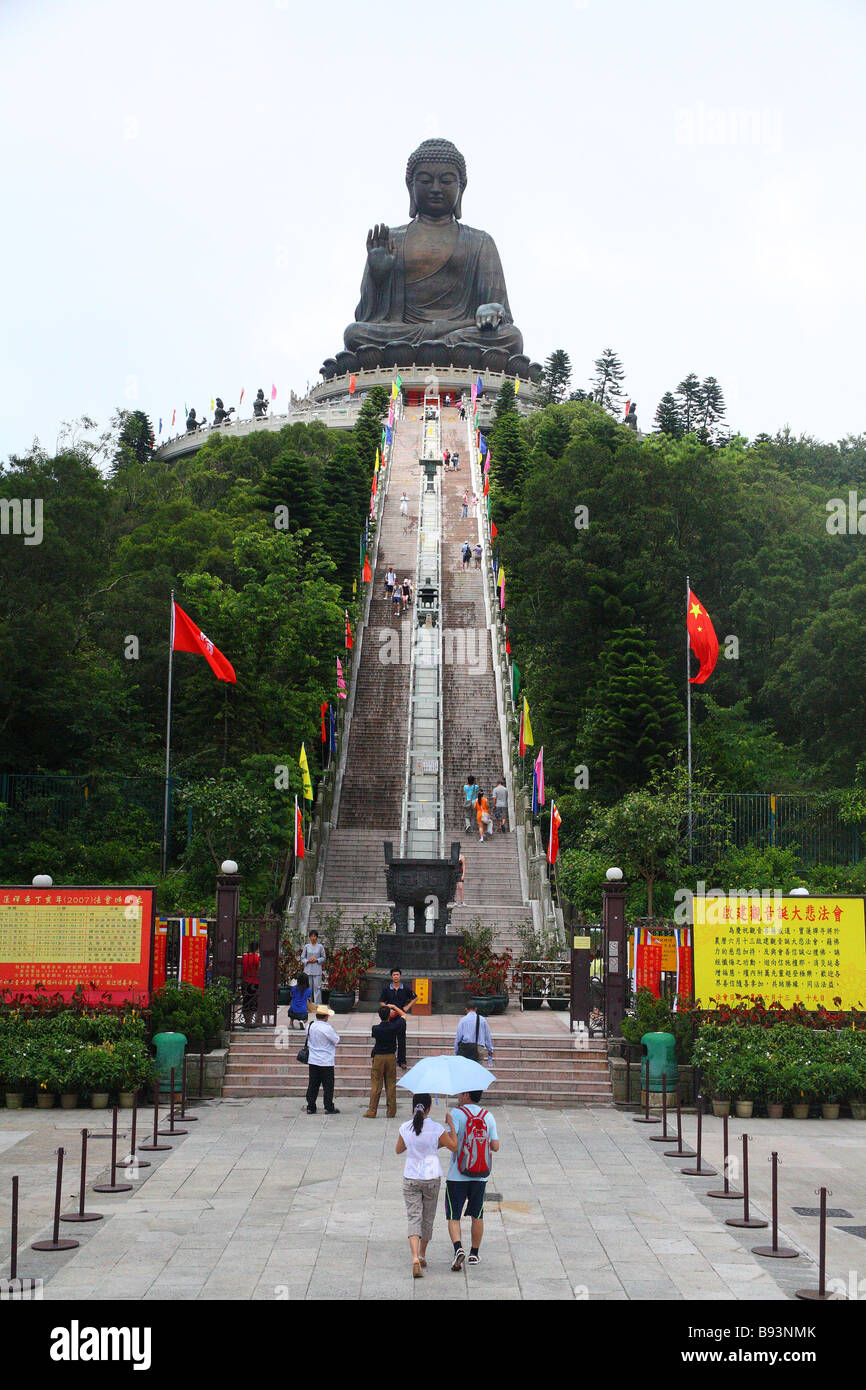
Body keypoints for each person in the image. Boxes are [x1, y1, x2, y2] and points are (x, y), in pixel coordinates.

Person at [396, 1095, 457, 1279]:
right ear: (428, 1109)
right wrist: (451, 1126)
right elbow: (453, 1146)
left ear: (413, 1107)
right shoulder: (436, 1128)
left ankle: (414, 1258)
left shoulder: (405, 1127)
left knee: (414, 1217)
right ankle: (422, 1254)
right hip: (431, 1177)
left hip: (411, 1177)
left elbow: (399, 1149)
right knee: (427, 1218)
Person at [446, 1090, 499, 1269]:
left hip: (457, 1175)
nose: (458, 1096)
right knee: (477, 1214)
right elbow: (496, 1146)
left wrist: (451, 1126)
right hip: (480, 1175)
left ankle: (458, 1248)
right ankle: (474, 1254)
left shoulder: (456, 1113)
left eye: (460, 1093)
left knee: (454, 1215)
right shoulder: (488, 1116)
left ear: (466, 1095)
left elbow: (451, 1144)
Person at [364, 1003, 406, 1118]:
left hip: (378, 1057)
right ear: (389, 1015)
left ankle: (372, 1111)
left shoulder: (375, 1028)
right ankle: (391, 1111)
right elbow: (403, 1015)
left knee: (376, 1085)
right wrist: (395, 1007)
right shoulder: (395, 1026)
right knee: (391, 1085)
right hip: (391, 1057)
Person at [305, 1003, 340, 1114]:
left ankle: (311, 1106)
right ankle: (328, 1106)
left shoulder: (310, 1025)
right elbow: (336, 1040)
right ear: (326, 1016)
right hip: (326, 1060)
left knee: (313, 1084)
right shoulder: (327, 1028)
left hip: (313, 1059)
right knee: (328, 1085)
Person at [379, 968, 416, 1068]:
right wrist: (387, 1009)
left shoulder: (405, 988)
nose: (396, 976)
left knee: (401, 1039)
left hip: (401, 1016)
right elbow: (381, 1001)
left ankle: (402, 1061)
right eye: (394, 975)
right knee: (389, 1038)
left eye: (397, 975)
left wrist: (407, 1007)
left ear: (400, 976)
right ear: (391, 977)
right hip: (389, 1017)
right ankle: (390, 1059)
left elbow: (415, 997)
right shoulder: (386, 989)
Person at [300, 930, 326, 1005]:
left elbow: (324, 958)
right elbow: (302, 958)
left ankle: (318, 1004)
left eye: (314, 936)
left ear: (317, 937)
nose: (313, 938)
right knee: (308, 988)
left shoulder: (320, 947)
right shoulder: (306, 946)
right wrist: (308, 960)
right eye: (311, 936)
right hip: (308, 970)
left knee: (317, 988)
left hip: (317, 970)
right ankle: (309, 1004)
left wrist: (317, 960)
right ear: (309, 937)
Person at [241, 940, 260, 1029]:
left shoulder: (244, 957)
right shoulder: (256, 958)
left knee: (245, 1001)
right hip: (254, 983)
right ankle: (250, 1021)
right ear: (257, 948)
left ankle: (247, 1021)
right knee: (253, 1002)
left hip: (245, 982)